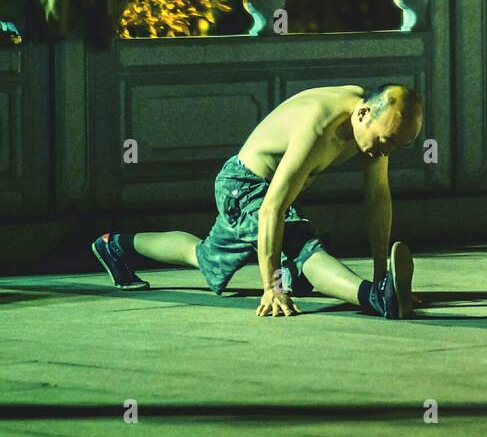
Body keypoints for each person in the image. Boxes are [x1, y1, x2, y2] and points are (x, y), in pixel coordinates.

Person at [91, 83, 423, 320]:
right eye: (385, 141)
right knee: (302, 246)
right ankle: (375, 298)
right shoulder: (319, 127)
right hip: (243, 187)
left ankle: (116, 245)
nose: (385, 151)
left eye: (396, 146)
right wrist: (272, 287)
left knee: (205, 257)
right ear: (364, 113)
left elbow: (378, 196)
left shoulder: (372, 124)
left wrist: (383, 267)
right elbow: (270, 209)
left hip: (265, 190)